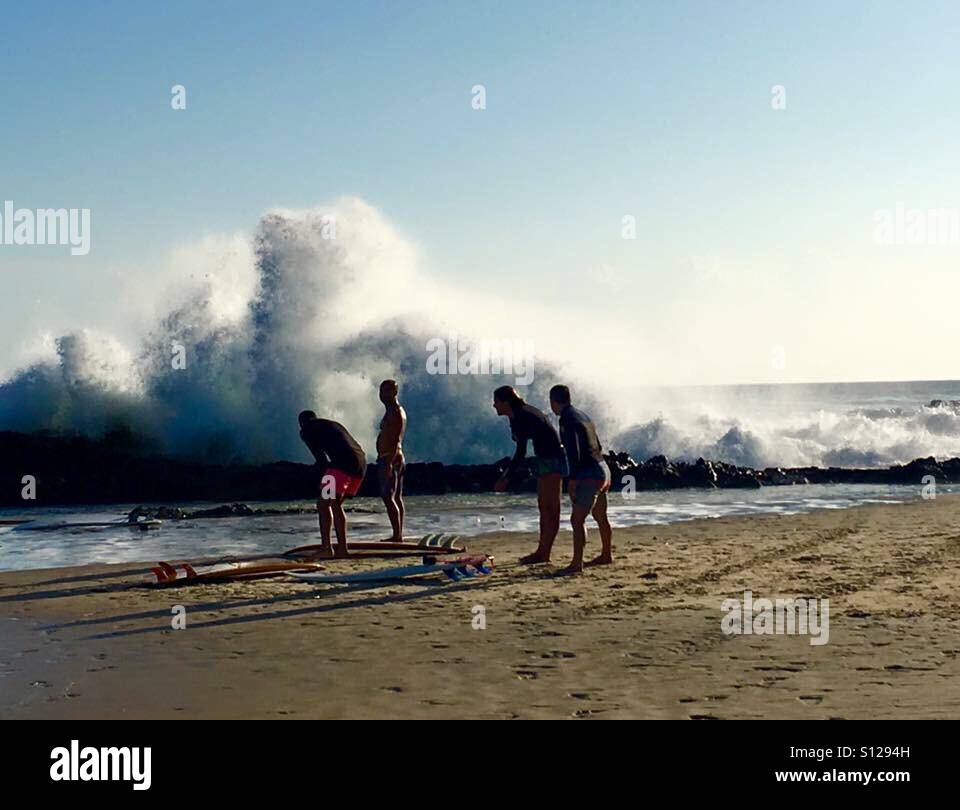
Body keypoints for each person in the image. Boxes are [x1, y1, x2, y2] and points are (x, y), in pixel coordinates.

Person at [492, 385, 567, 565]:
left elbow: (521, 451)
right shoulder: (518, 413)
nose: (493, 406)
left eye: (496, 402)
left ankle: (544, 553)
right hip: (545, 458)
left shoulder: (522, 415)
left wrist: (506, 478)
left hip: (553, 458)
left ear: (505, 402)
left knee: (551, 509)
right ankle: (542, 551)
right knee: (544, 507)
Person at [549, 384, 613, 575]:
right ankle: (606, 555)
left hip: (589, 473)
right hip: (603, 468)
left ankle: (577, 564)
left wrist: (573, 479)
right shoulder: (583, 416)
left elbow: (574, 451)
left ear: (554, 402)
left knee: (577, 520)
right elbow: (598, 444)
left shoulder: (566, 420)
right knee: (601, 516)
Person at [298, 410, 367, 557]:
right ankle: (342, 549)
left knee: (323, 504)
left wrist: (320, 479)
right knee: (335, 504)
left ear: (301, 424)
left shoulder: (307, 430)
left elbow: (321, 460)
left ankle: (326, 548)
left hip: (342, 465)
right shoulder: (332, 424)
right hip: (360, 464)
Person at [376, 379, 407, 542]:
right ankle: (398, 534)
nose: (382, 394)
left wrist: (388, 462)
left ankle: (397, 535)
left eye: (387, 391)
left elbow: (395, 439)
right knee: (395, 497)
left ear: (395, 392)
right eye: (381, 391)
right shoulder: (390, 410)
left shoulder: (395, 411)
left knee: (388, 496)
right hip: (391, 456)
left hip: (391, 457)